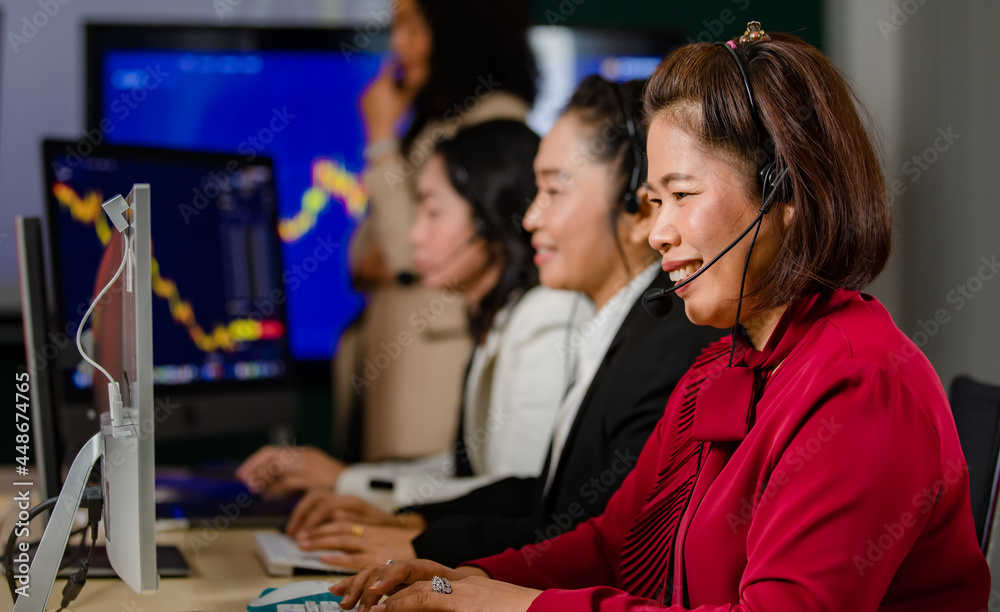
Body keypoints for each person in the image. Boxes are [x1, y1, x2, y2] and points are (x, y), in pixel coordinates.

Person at [330, 25, 991, 611]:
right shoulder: (725, 361)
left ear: (785, 193)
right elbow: (614, 542)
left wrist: (513, 607)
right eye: (652, 200)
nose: (657, 233)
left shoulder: (858, 383)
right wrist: (459, 580)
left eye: (681, 196)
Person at [282, 77, 721, 570]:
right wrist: (412, 522)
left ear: (637, 207)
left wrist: (423, 545)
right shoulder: (620, 329)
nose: (531, 217)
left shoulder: (666, 348)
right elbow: (548, 498)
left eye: (555, 190)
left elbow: (603, 543)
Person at [241, 120, 587, 513]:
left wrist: (344, 482)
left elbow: (512, 497)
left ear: (487, 221)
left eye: (433, 211)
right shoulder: (499, 319)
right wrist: (347, 482)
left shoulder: (544, 319)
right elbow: (463, 472)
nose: (415, 235)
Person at [342, 0, 540, 461]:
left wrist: (380, 140)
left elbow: (403, 253)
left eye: (413, 28)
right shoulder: (436, 123)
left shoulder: (492, 123)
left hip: (429, 363)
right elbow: (363, 257)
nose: (398, 45)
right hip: (392, 354)